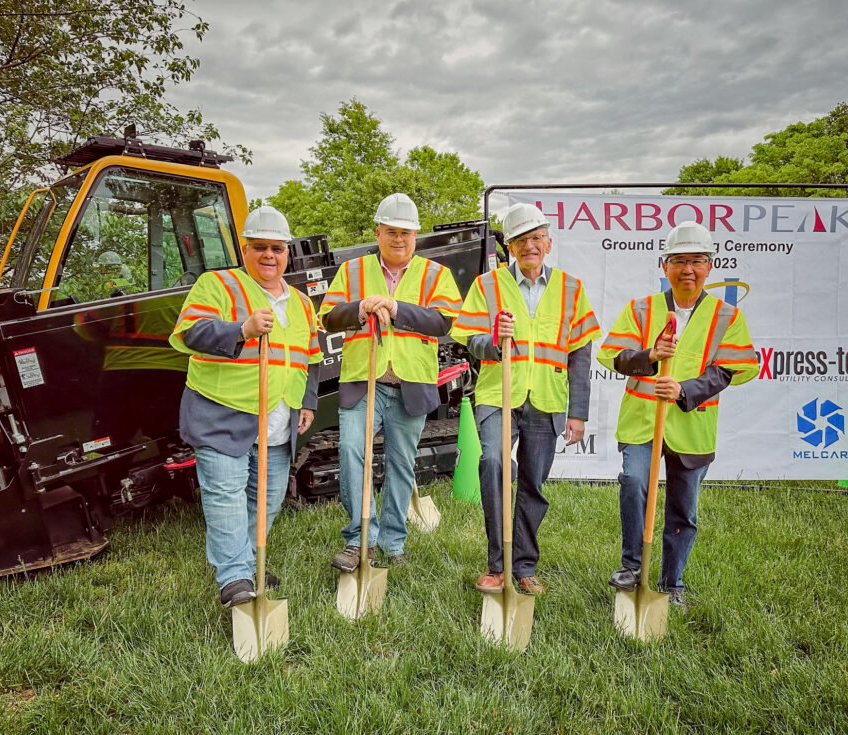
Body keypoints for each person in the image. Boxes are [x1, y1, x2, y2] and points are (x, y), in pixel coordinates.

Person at [596, 220, 758, 609]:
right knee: (634, 482)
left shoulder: (726, 316)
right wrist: (649, 358)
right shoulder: (641, 308)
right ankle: (633, 568)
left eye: (697, 260)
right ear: (664, 265)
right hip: (642, 421)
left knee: (683, 508)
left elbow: (733, 368)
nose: (688, 269)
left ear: (709, 266)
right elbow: (613, 355)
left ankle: (672, 584)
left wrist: (686, 389)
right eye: (679, 261)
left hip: (692, 426)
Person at [170, 206, 322, 608]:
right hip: (223, 412)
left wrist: (305, 402)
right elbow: (191, 332)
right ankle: (235, 576)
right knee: (224, 494)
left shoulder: (303, 303)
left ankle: (247, 560)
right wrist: (242, 329)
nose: (269, 256)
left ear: (287, 252)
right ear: (245, 248)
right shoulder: (217, 284)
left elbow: (311, 356)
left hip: (279, 418)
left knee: (268, 498)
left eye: (277, 248)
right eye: (260, 247)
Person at [450, 202, 601, 596]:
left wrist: (578, 413)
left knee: (533, 482)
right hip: (498, 394)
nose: (529, 246)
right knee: (494, 462)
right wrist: (495, 343)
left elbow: (580, 354)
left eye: (536, 238)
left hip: (547, 399)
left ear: (548, 243)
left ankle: (524, 566)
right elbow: (468, 338)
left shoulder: (571, 288)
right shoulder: (489, 285)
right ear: (511, 248)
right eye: (520, 240)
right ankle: (497, 566)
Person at [318, 193, 462, 571]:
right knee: (351, 452)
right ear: (378, 232)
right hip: (363, 381)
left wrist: (397, 310)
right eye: (392, 232)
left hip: (411, 384)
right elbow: (328, 318)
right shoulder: (352, 271)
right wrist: (359, 308)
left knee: (401, 464)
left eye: (407, 233)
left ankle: (393, 542)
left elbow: (446, 321)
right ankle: (358, 538)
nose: (399, 239)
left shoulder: (435, 274)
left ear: (415, 237)